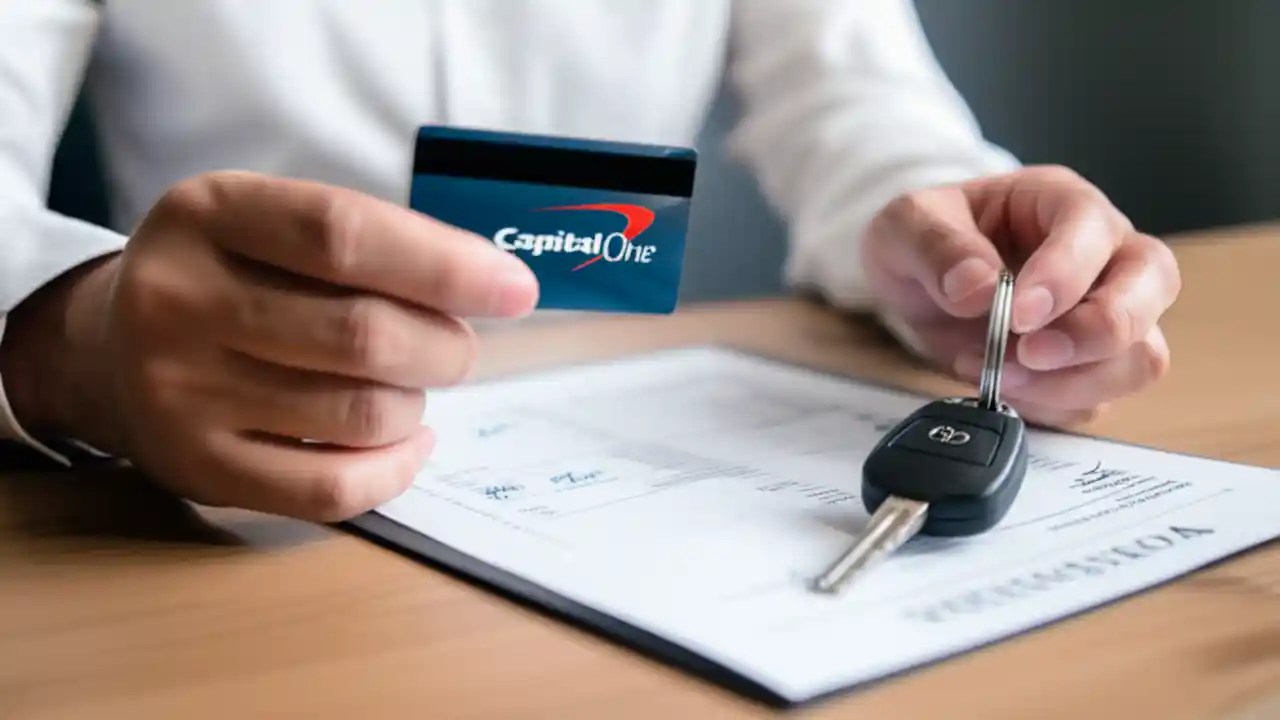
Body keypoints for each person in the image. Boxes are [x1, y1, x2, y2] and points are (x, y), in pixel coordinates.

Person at [0, 2, 1179, 522]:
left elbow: (852, 98)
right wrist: (72, 334)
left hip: (631, 480)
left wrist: (942, 232)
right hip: (223, 482)